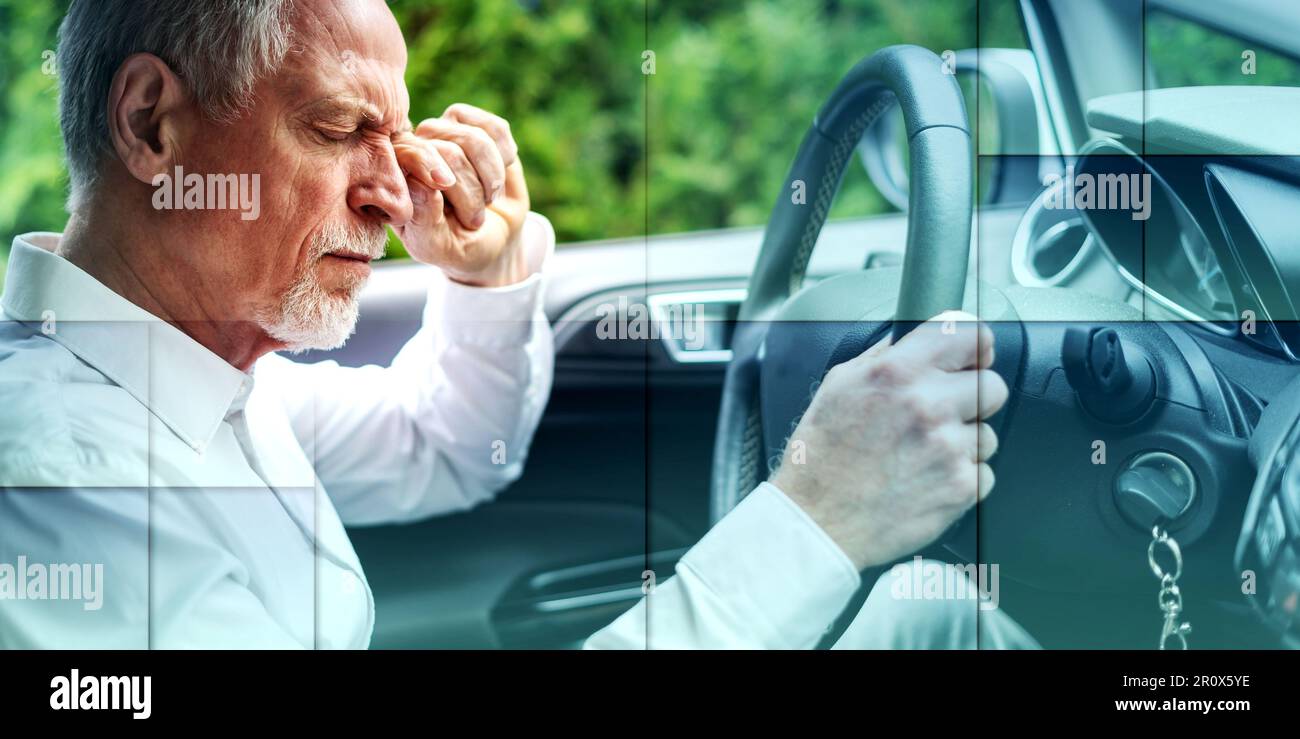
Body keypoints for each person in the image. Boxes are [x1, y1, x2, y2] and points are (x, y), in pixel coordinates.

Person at [0, 0, 1030, 649]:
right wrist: (812, 520)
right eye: (336, 129)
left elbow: (447, 446)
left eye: (397, 140)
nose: (388, 193)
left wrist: (487, 277)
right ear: (151, 124)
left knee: (929, 607)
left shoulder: (192, 377)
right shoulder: (53, 479)